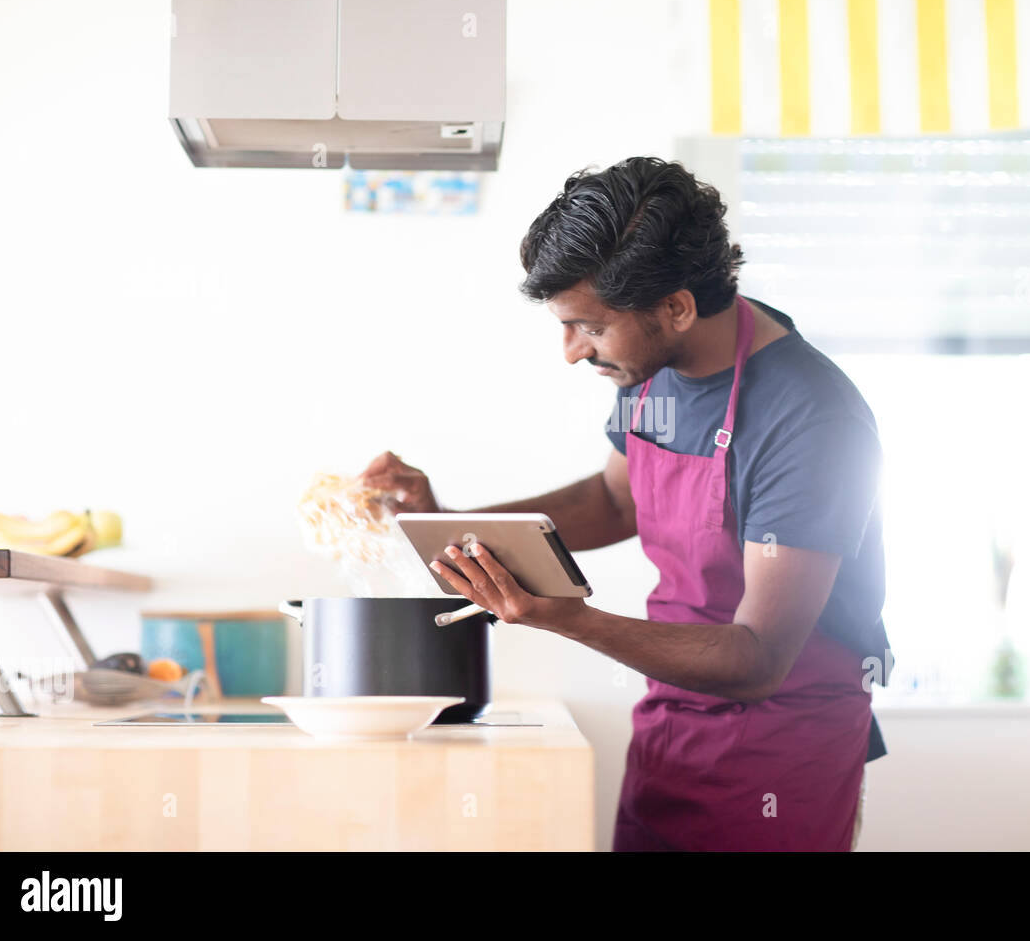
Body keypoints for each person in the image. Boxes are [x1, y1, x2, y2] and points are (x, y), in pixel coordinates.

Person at [360, 156, 892, 851]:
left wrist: (570, 620)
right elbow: (616, 500)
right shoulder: (653, 363)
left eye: (590, 328)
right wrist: (444, 526)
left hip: (778, 747)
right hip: (671, 727)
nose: (573, 353)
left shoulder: (812, 419)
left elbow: (758, 658)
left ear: (676, 306)